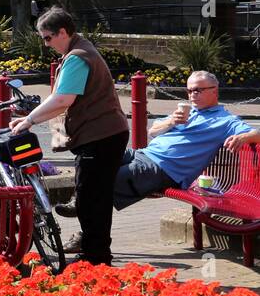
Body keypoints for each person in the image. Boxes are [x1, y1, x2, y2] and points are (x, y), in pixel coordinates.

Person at [55, 71, 260, 223]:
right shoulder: (188, 112)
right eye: (189, 91)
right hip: (143, 154)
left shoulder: (225, 120)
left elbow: (257, 134)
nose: (192, 95)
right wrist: (171, 122)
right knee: (94, 158)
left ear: (214, 91)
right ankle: (79, 202)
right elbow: (153, 131)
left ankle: (86, 231)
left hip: (164, 169)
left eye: (198, 90)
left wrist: (245, 137)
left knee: (106, 182)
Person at [8, 7, 128, 265]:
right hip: (106, 134)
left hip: (101, 136)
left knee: (91, 199)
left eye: (47, 37)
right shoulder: (80, 51)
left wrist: (29, 121)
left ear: (63, 32)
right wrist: (33, 116)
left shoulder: (78, 57)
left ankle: (96, 259)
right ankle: (96, 254)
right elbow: (60, 99)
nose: (45, 43)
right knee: (93, 197)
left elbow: (63, 99)